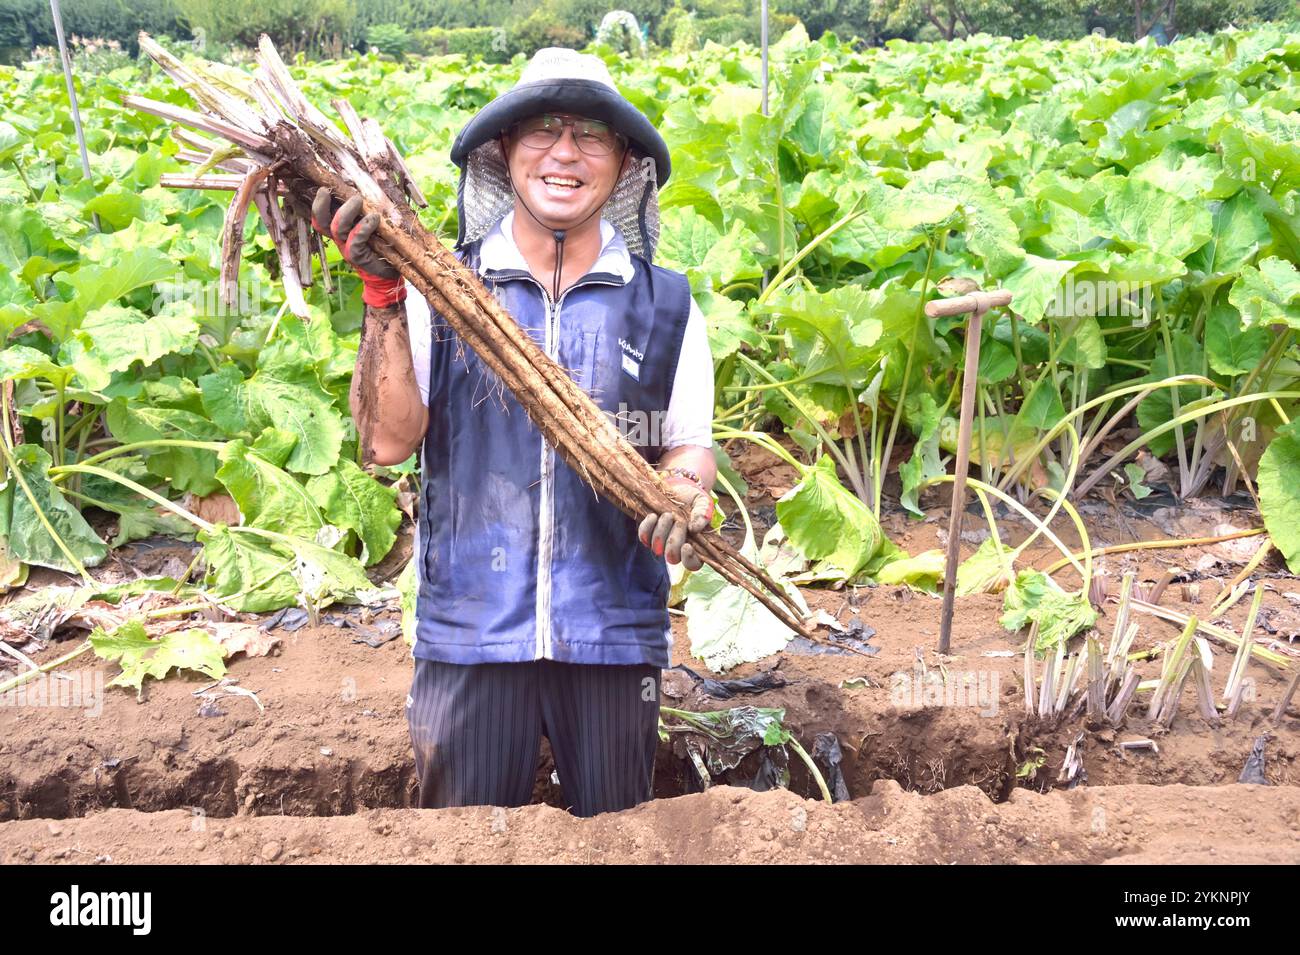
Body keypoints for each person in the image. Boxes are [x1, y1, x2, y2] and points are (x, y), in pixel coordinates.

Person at [311, 48, 716, 817]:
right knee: (462, 845)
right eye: (542, 129)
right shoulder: (443, 288)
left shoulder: (665, 304)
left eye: (591, 134)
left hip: (613, 636)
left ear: (623, 159)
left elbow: (689, 446)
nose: (565, 152)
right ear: (504, 149)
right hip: (470, 632)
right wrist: (381, 293)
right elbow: (385, 444)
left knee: (616, 842)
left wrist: (685, 492)